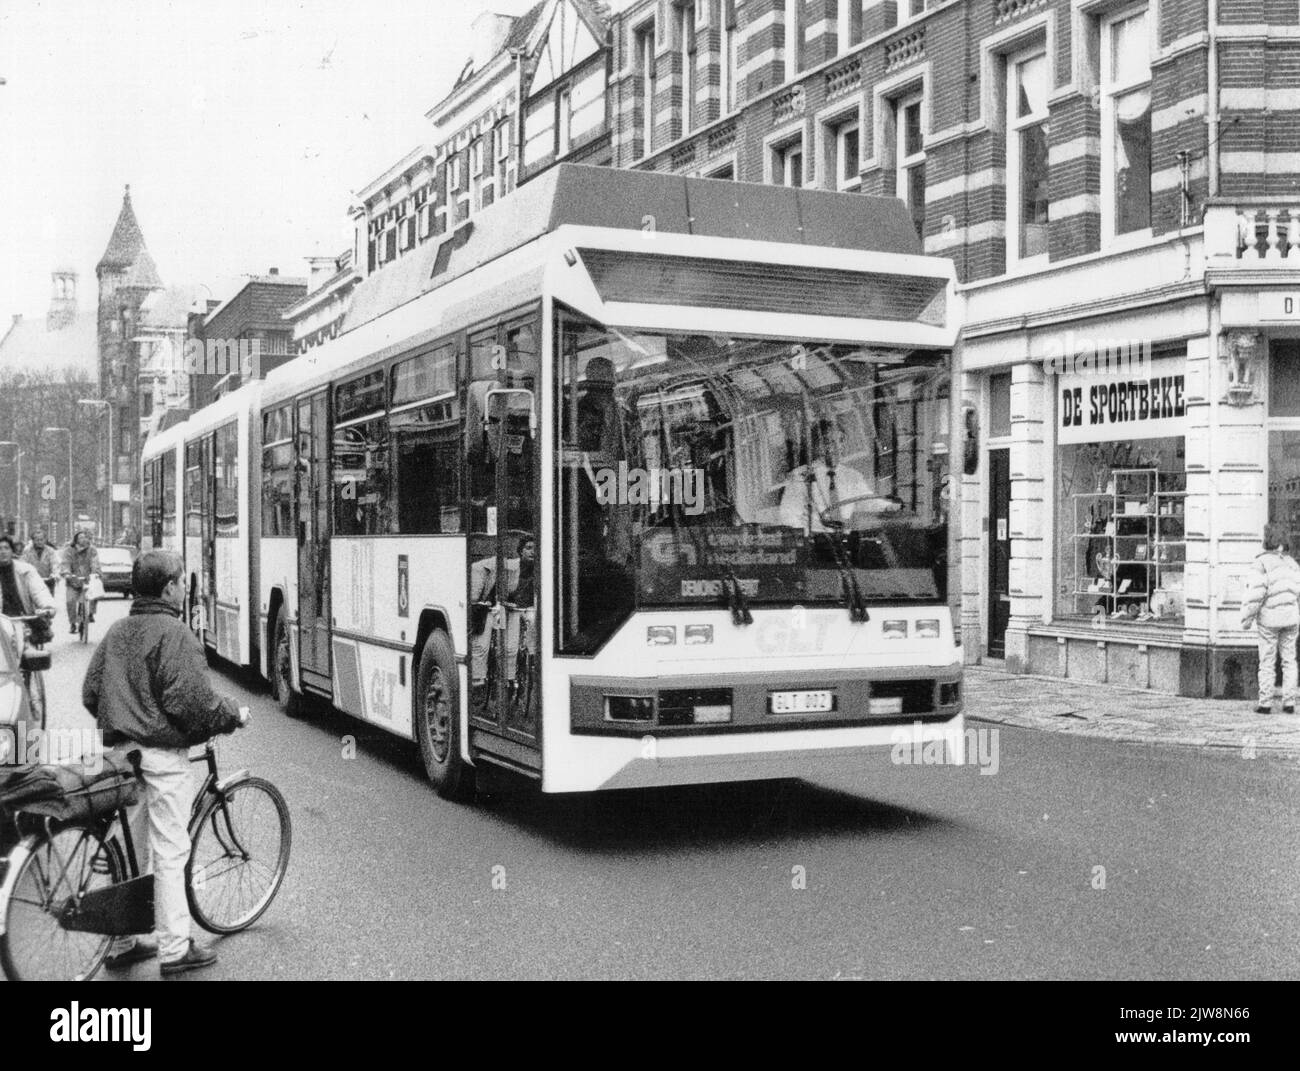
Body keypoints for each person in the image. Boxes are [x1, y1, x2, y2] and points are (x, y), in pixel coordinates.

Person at [82, 550, 246, 976]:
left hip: (120, 757)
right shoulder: (175, 635)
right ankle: (175, 948)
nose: (182, 587)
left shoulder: (118, 631)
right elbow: (191, 704)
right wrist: (231, 715)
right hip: (161, 758)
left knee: (127, 848)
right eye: (179, 581)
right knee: (171, 850)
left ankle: (121, 941)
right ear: (170, 587)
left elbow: (90, 692)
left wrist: (124, 717)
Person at [1240, 523, 1300, 715]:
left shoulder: (1261, 563)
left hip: (1269, 620)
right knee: (1290, 660)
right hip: (1291, 619)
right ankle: (1289, 702)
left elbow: (1255, 595)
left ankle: (1265, 703)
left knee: (1267, 660)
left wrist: (1246, 619)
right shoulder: (1292, 563)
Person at [0, 535, 57, 640]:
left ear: (12, 551)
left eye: (6, 548)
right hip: (1, 622)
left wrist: (47, 608)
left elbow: (39, 591)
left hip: (23, 619)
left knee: (34, 654)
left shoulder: (26, 570)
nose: (2, 552)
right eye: (0, 548)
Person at [60, 528, 100, 633]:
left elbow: (94, 561)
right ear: (76, 539)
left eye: (85, 537)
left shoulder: (92, 550)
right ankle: (73, 623)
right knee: (70, 601)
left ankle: (90, 613)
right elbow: (65, 562)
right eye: (80, 537)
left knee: (94, 594)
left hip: (87, 581)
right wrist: (66, 573)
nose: (83, 539)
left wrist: (95, 572)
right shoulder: (69, 550)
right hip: (73, 581)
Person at [20, 528, 58, 596]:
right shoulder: (27, 551)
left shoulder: (50, 551)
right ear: (33, 540)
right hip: (32, 581)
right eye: (37, 540)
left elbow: (55, 564)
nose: (39, 542)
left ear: (45, 540)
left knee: (48, 603)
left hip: (47, 581)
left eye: (41, 540)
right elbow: (23, 564)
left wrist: (53, 575)